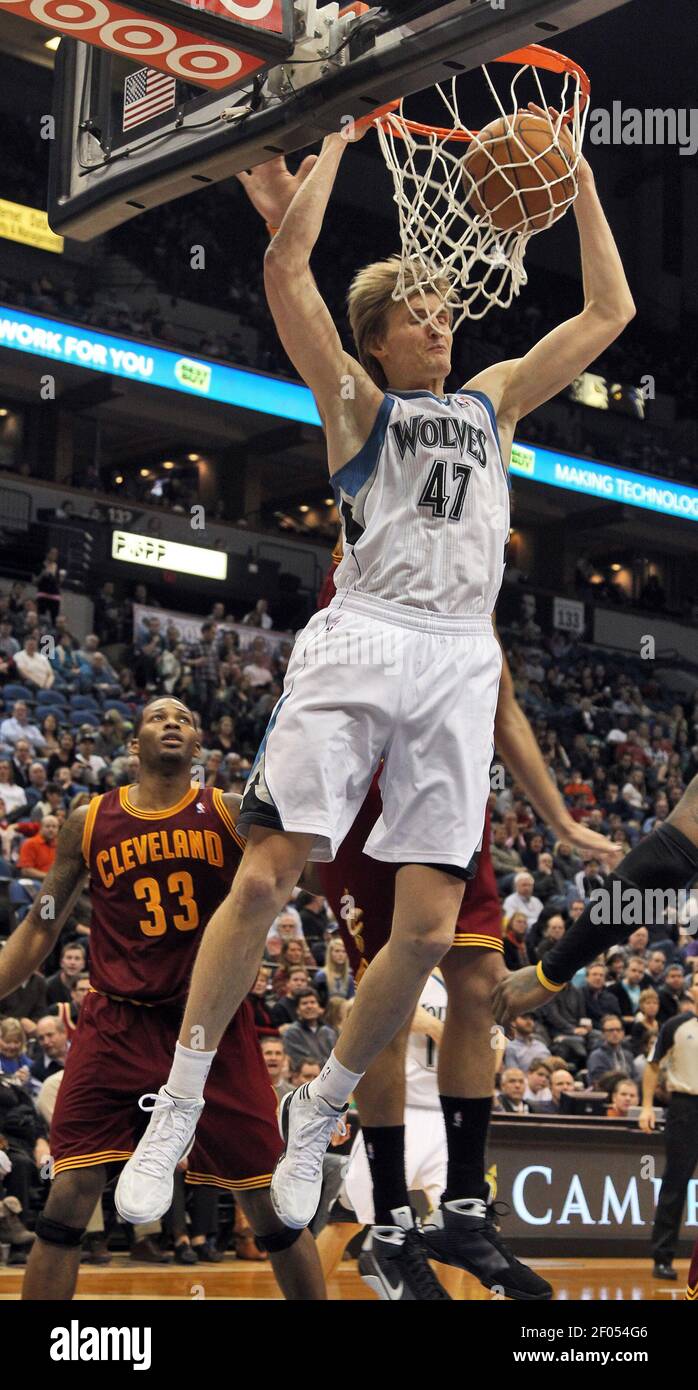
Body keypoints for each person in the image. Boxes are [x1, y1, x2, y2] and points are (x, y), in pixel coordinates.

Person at [117, 126, 635, 1247]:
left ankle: (324, 1108)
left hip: (458, 655)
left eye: (446, 308)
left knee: (431, 928)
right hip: (363, 638)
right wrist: (340, 144)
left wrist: (581, 182)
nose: (440, 321)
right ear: (377, 336)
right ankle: (185, 1097)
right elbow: (281, 276)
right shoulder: (354, 402)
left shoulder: (493, 398)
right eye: (419, 311)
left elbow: (607, 317)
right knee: (263, 877)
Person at [0, 697, 324, 1301]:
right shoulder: (87, 821)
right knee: (68, 1196)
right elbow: (42, 925)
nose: (171, 722)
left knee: (271, 1201)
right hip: (116, 1020)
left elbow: (315, 876)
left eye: (183, 718)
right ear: (133, 744)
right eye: (157, 716)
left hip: (212, 1024)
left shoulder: (230, 814)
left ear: (198, 745)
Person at [640, 994, 698, 1281]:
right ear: (693, 991)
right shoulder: (676, 1025)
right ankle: (662, 1257)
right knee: (675, 1182)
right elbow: (652, 1065)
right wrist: (647, 1106)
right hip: (684, 1107)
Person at [281, 990, 337, 1070]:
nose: (309, 1006)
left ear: (319, 1007)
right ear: (297, 1010)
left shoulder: (329, 1032)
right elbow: (300, 1062)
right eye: (304, 1003)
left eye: (313, 1002)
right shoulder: (291, 1033)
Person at [45, 942, 87, 1006]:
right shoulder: (48, 986)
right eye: (69, 958)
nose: (72, 962)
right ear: (61, 962)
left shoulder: (89, 984)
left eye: (77, 958)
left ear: (83, 964)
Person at [260, 1037, 293, 1104]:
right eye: (268, 1053)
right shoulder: (250, 1090)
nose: (273, 1058)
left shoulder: (292, 1093)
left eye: (278, 1053)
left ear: (284, 1058)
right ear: (259, 1057)